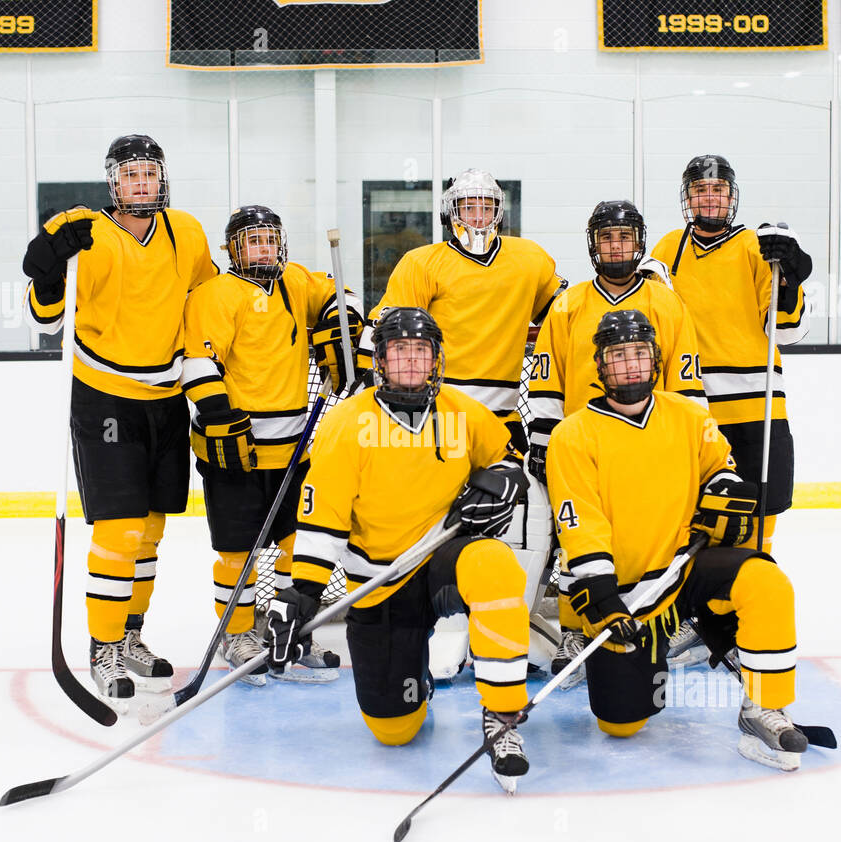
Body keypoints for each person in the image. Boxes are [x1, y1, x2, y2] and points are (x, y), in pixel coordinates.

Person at [263, 308, 534, 791]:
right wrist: (301, 591)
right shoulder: (348, 423)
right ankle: (414, 677)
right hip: (378, 583)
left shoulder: (462, 411)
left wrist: (504, 478)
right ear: (381, 361)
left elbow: (507, 456)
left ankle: (503, 716)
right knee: (394, 730)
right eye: (399, 351)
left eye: (421, 351)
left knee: (495, 564)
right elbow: (322, 517)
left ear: (436, 360)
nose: (411, 361)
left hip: (442, 562)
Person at [546, 310, 807, 771]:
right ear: (600, 365)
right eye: (618, 355)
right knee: (621, 722)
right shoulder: (573, 434)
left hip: (686, 568)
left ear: (656, 360)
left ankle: (763, 706)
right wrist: (601, 593)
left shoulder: (688, 414)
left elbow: (719, 465)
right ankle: (643, 653)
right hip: (626, 593)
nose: (630, 365)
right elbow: (579, 522)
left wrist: (724, 487)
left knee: (766, 582)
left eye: (640, 355)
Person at [22, 133, 218, 702]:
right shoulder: (87, 231)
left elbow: (209, 301)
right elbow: (46, 320)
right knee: (120, 529)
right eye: (129, 174)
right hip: (105, 395)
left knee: (151, 531)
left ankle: (130, 636)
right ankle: (101, 648)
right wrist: (48, 273)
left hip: (166, 397)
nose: (140, 183)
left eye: (149, 173)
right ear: (113, 182)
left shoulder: (186, 231)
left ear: (162, 178)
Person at [369, 168, 567, 666]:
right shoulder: (423, 262)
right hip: (436, 414)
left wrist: (643, 284)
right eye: (468, 207)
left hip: (501, 416)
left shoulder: (531, 260)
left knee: (516, 517)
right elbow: (390, 328)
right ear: (450, 213)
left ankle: (498, 620)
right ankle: (434, 621)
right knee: (432, 520)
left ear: (498, 212)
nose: (477, 216)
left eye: (485, 206)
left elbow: (564, 312)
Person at [183, 204, 366, 685]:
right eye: (252, 241)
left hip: (293, 450)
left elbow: (341, 293)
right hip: (235, 452)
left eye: (269, 240)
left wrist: (337, 323)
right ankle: (238, 633)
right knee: (237, 553)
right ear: (234, 250)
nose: (263, 249)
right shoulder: (216, 294)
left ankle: (292, 628)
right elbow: (198, 362)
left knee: (295, 546)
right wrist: (220, 415)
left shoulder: (295, 282)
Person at [527, 200, 707, 683]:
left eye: (624, 238)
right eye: (607, 238)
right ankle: (574, 628)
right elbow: (546, 379)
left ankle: (660, 619)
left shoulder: (665, 303)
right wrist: (544, 441)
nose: (616, 247)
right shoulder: (569, 304)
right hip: (582, 451)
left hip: (649, 448)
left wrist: (689, 449)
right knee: (576, 543)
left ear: (639, 244)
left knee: (655, 540)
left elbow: (686, 387)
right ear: (593, 245)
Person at [651, 154, 812, 665]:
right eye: (700, 191)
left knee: (762, 512)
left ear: (732, 197)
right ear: (687, 199)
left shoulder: (757, 246)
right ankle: (703, 620)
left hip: (755, 407)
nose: (710, 199)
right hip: (691, 409)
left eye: (718, 191)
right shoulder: (666, 250)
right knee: (698, 518)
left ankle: (749, 618)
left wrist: (789, 279)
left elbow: (786, 331)